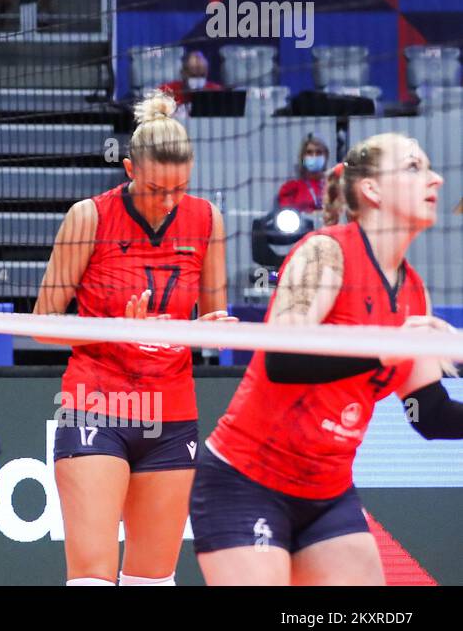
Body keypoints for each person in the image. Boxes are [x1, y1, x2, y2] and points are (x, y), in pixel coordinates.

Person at [192, 133, 463, 585]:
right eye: (414, 167)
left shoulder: (415, 294)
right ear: (371, 190)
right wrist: (385, 347)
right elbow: (282, 359)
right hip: (245, 482)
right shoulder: (326, 253)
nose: (435, 178)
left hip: (327, 495)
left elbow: (429, 415)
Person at [33, 89, 235, 586]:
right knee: (93, 578)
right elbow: (42, 324)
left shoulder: (207, 220)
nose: (168, 201)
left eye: (179, 189)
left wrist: (205, 330)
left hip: (171, 411)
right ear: (128, 170)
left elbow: (214, 318)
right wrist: (119, 329)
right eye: (155, 189)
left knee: (151, 579)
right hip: (95, 404)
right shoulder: (89, 217)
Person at [276, 134, 330, 213]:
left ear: (326, 157)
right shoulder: (290, 188)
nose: (314, 156)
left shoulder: (334, 187)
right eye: (309, 152)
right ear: (302, 157)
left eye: (319, 152)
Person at [157, 50, 223, 111]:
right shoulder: (168, 90)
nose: (198, 80)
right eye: (193, 75)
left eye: (202, 75)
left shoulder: (216, 91)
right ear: (183, 73)